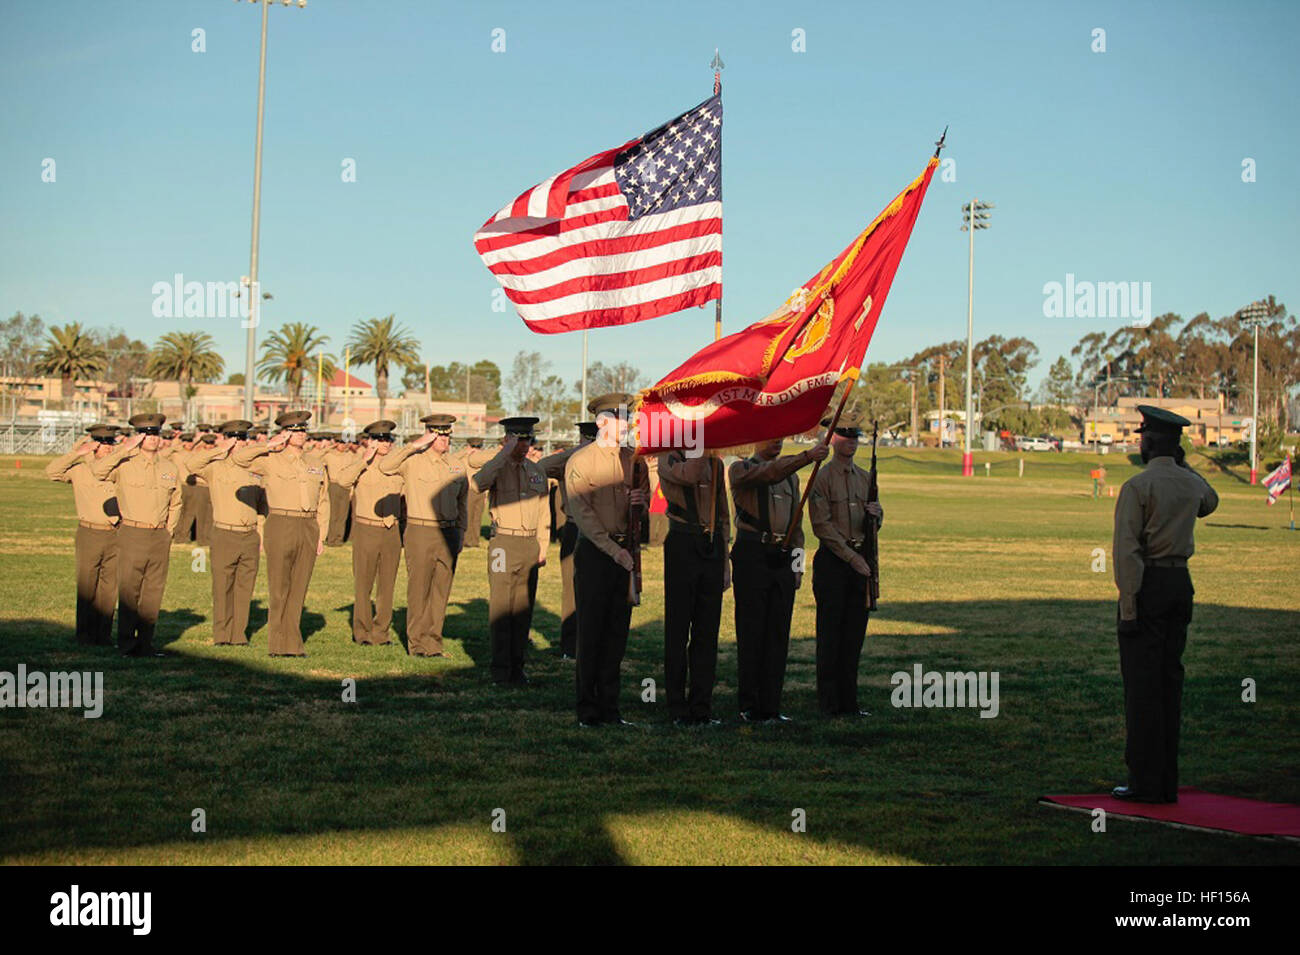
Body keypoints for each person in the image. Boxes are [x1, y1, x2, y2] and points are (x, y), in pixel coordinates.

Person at [1110, 405, 1218, 804]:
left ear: (1149, 440)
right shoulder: (1189, 483)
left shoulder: (1138, 487)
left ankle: (1143, 781)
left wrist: (1129, 606)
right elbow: (1211, 501)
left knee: (1141, 687)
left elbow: (1127, 552)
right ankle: (1167, 778)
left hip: (1149, 584)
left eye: (1142, 437)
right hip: (1179, 583)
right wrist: (1183, 465)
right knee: (1170, 682)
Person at [728, 436, 828, 722]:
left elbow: (796, 526)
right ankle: (749, 704)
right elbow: (769, 473)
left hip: (782, 555)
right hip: (752, 554)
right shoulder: (741, 469)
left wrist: (798, 566)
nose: (777, 443)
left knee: (778, 633)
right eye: (771, 438)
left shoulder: (792, 480)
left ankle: (771, 704)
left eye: (781, 439)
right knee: (751, 630)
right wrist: (807, 456)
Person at [565, 394, 650, 727]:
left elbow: (640, 506)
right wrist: (615, 552)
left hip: (625, 551)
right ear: (601, 422)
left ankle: (611, 709)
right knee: (591, 634)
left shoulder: (633, 460)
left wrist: (639, 503)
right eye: (618, 418)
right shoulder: (582, 461)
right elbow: (583, 515)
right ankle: (588, 710)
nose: (625, 424)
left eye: (627, 418)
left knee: (617, 636)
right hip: (597, 554)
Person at [233, 410, 330, 657]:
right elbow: (239, 459)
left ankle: (293, 643)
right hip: (281, 522)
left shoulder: (315, 463)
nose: (299, 434)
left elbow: (324, 500)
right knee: (279, 586)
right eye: (293, 430)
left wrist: (321, 533)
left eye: (302, 430)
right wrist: (269, 444)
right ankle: (277, 644)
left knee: (299, 587)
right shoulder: (270, 459)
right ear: (284, 433)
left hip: (308, 525)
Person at [807, 416, 882, 718]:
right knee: (830, 636)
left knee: (853, 637)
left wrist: (878, 514)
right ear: (832, 438)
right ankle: (829, 704)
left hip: (860, 562)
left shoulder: (865, 478)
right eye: (845, 435)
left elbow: (873, 524)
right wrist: (853, 559)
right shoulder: (822, 478)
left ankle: (849, 703)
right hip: (835, 563)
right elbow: (821, 527)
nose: (851, 441)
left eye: (855, 437)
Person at [90, 414, 183, 657]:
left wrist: (169, 530)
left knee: (153, 592)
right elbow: (98, 471)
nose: (151, 438)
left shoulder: (169, 468)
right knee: (130, 591)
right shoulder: (125, 463)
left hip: (159, 535)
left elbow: (176, 502)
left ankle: (146, 643)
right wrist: (123, 449)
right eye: (146, 434)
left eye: (155, 434)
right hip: (132, 532)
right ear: (138, 436)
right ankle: (126, 643)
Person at [380, 413, 469, 657]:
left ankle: (433, 642)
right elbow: (384, 466)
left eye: (447, 435)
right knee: (419, 588)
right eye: (439, 435)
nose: (444, 440)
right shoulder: (413, 461)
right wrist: (414, 445)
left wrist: (461, 531)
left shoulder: (456, 464)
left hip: (448, 531)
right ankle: (417, 643)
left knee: (441, 591)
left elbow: (463, 502)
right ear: (429, 435)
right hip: (421, 530)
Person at [657, 443, 730, 726]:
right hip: (682, 542)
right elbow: (687, 475)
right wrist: (702, 446)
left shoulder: (716, 464)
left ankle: (702, 707)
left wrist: (725, 562)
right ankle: (677, 707)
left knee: (707, 631)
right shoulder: (669, 458)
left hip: (710, 543)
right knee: (677, 630)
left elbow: (722, 515)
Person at [474, 418, 550, 685]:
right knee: (501, 607)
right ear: (507, 440)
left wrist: (543, 544)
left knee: (522, 609)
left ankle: (518, 667)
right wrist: (502, 455)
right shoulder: (498, 467)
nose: (523, 444)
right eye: (517, 439)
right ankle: (500, 669)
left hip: (529, 544)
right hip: (503, 543)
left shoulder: (537, 471)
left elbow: (544, 512)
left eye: (527, 439)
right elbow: (478, 483)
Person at [328, 420, 403, 646]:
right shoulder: (360, 463)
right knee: (363, 584)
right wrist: (364, 460)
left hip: (391, 529)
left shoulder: (398, 464)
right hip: (366, 528)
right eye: (380, 440)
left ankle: (381, 632)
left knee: (387, 584)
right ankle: (362, 631)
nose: (386, 444)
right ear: (370, 441)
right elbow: (342, 481)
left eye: (388, 439)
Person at [46, 424, 122, 645]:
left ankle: (104, 633)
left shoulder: (118, 468)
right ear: (94, 445)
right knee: (87, 585)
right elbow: (52, 472)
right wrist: (77, 452)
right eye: (103, 443)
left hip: (116, 532)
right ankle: (85, 634)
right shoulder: (80, 469)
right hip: (90, 532)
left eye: (110, 443)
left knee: (109, 587)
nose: (108, 447)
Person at [191, 421, 265, 646]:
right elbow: (191, 464)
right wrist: (219, 449)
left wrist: (260, 534)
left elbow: (262, 507)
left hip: (249, 534)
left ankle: (238, 634)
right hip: (225, 533)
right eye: (234, 438)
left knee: (245, 587)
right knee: (223, 586)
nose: (239, 443)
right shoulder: (216, 467)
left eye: (242, 439)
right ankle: (222, 634)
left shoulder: (256, 469)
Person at [540, 423, 595, 659]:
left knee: (600, 591)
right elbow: (542, 466)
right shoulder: (570, 460)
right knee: (572, 591)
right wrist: (580, 451)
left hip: (604, 529)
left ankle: (595, 643)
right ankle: (570, 646)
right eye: (589, 439)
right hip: (576, 527)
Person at [323, 433, 355, 546]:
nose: (343, 445)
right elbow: (314, 457)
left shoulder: (350, 455)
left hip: (346, 486)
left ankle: (339, 539)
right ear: (336, 443)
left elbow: (353, 472)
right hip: (334, 485)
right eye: (340, 443)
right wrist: (329, 447)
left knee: (343, 515)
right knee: (333, 514)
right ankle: (331, 539)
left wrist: (352, 489)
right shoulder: (329, 455)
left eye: (345, 443)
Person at [458, 437, 489, 547]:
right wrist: (465, 452)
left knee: (477, 517)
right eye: (473, 446)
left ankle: (474, 541)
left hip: (480, 491)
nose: (476, 449)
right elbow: (452, 459)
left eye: (478, 447)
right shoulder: (463, 458)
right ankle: (466, 541)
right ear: (468, 446)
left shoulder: (482, 460)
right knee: (467, 516)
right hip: (469, 489)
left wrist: (485, 494)